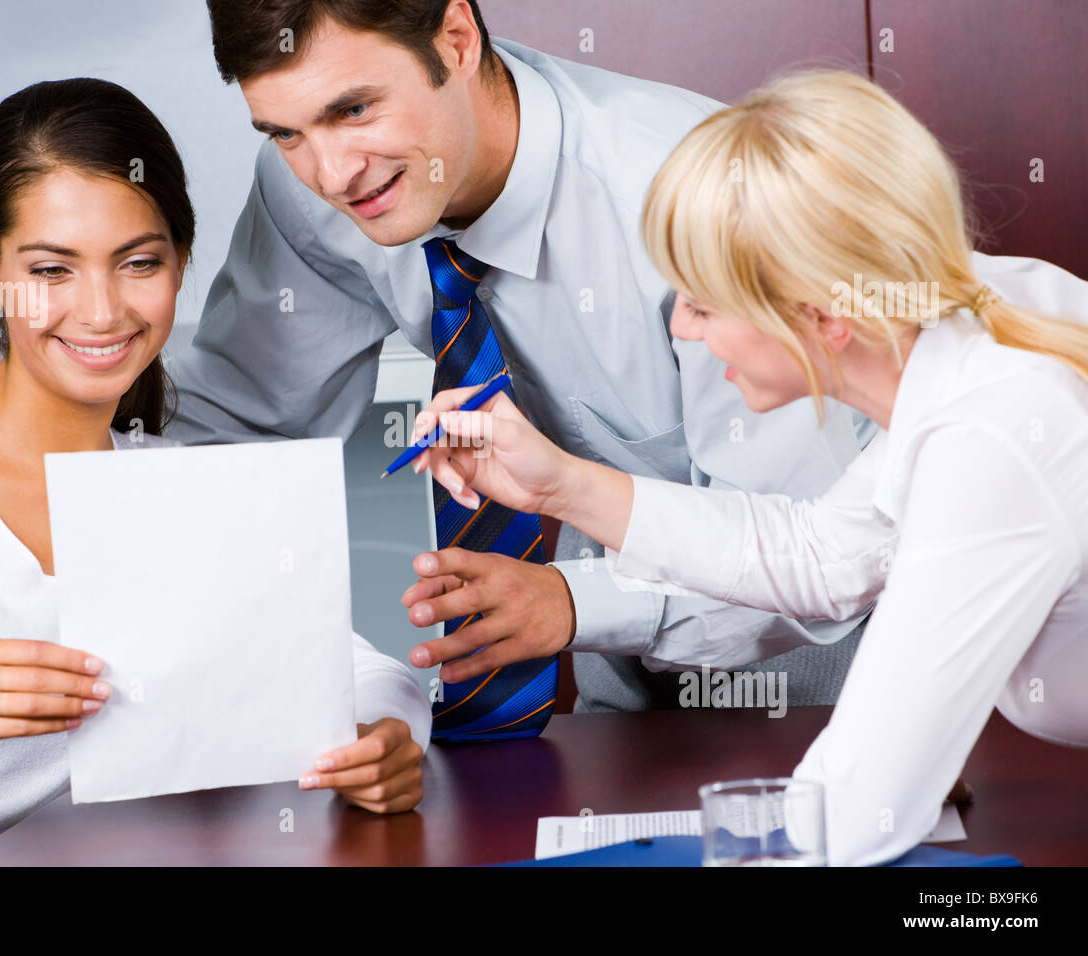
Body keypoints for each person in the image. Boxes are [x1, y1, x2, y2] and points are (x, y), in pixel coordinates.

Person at [170, 0, 1088, 723]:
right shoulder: (321, 192)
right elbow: (234, 424)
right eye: (284, 133)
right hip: (612, 675)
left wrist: (573, 603)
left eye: (354, 109)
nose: (330, 174)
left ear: (455, 37)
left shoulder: (678, 194)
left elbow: (811, 550)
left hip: (823, 665)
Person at [406, 69, 1088, 865]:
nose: (687, 333)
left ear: (819, 316)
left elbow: (856, 811)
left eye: (700, 302)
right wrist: (558, 481)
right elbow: (822, 555)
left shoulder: (993, 430)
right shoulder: (956, 364)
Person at [0, 77, 429, 867]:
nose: (100, 311)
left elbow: (354, 668)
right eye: (52, 270)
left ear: (181, 264)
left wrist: (387, 737)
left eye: (137, 263)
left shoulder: (177, 490)